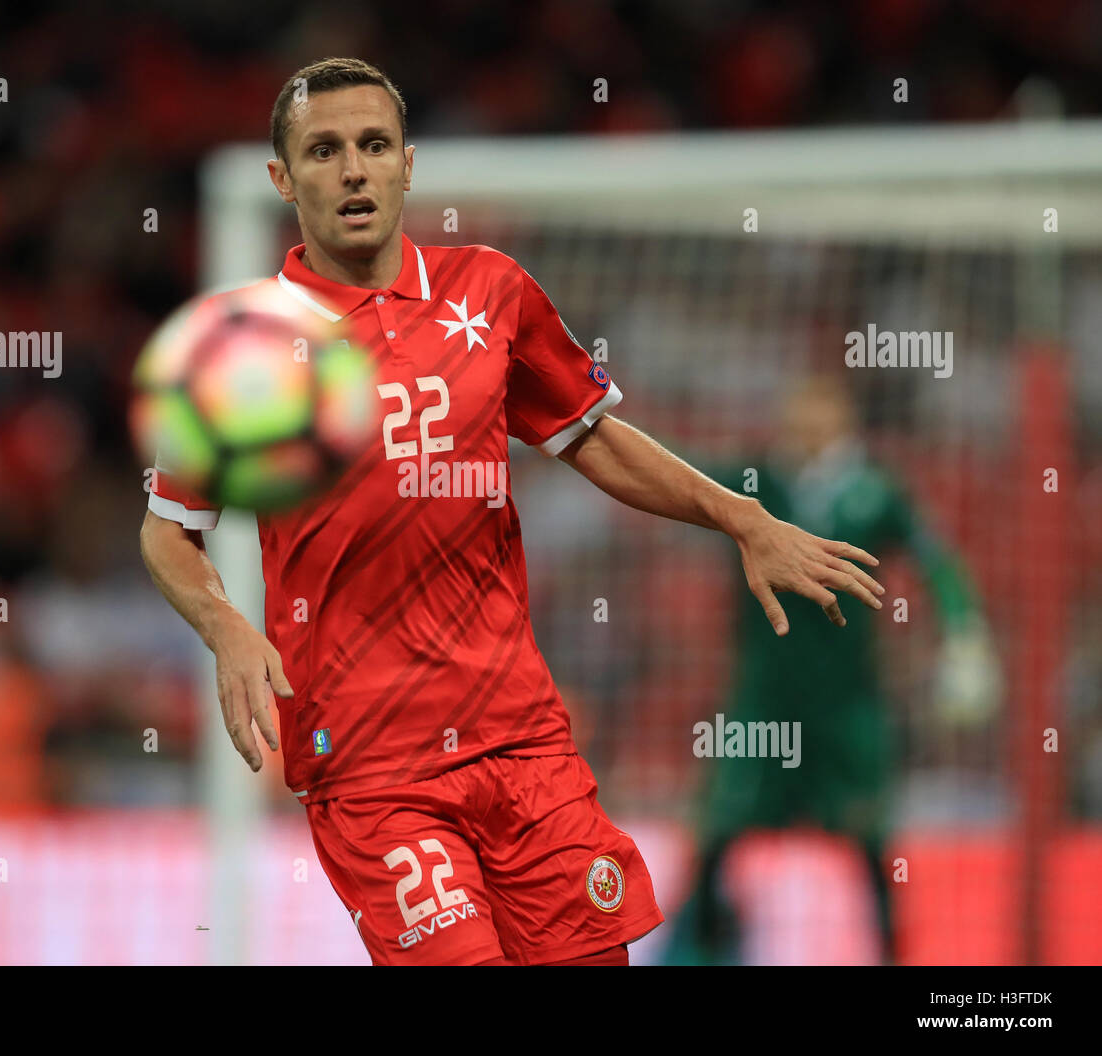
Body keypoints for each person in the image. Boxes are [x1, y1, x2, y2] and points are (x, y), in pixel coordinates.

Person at [138, 57, 884, 966]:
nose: (353, 170)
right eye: (323, 151)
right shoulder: (242, 344)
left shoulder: (488, 290)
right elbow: (169, 527)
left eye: (374, 145)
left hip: (523, 740)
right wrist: (224, 625)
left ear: (408, 164)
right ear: (282, 179)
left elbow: (593, 437)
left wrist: (743, 519)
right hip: (374, 764)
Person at [661, 374, 999, 965]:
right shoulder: (756, 484)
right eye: (797, 412)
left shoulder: (875, 492)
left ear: (843, 422)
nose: (804, 424)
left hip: (848, 703)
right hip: (764, 696)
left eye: (818, 412)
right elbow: (680, 479)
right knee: (722, 828)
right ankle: (700, 949)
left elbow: (938, 560)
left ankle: (894, 952)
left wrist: (964, 631)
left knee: (869, 838)